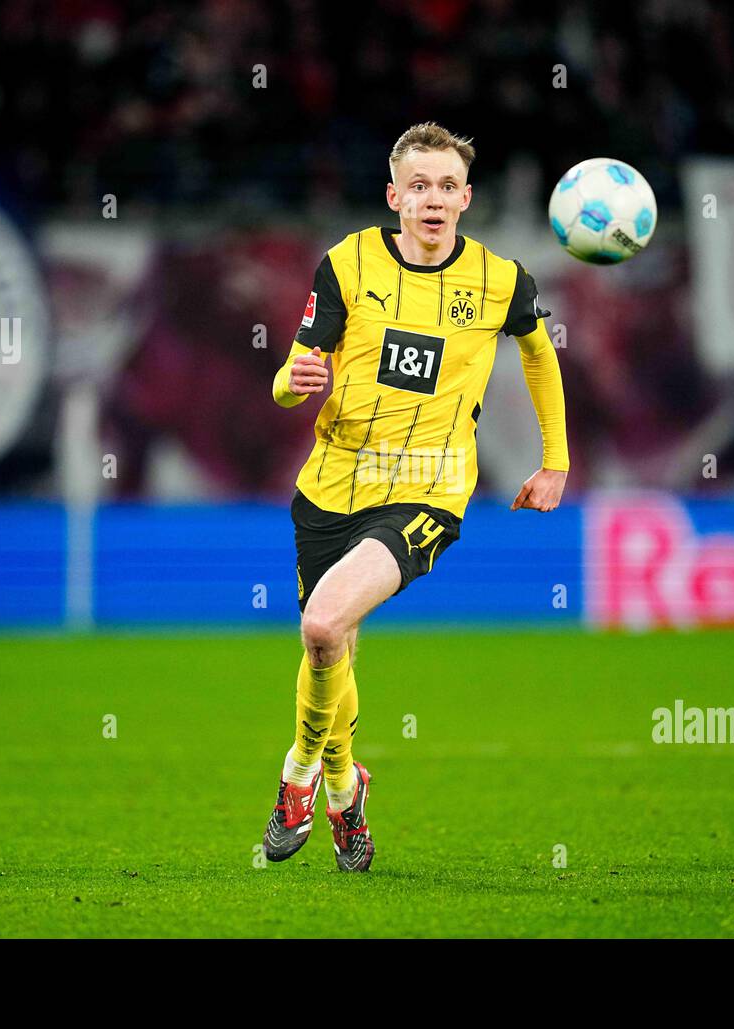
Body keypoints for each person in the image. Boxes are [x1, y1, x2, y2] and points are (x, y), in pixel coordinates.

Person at [263, 122, 570, 871]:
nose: (433, 200)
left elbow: (538, 353)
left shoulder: (501, 281)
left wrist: (555, 459)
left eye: (447, 186)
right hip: (333, 482)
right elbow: (293, 372)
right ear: (395, 195)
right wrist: (289, 383)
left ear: (466, 198)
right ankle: (345, 787)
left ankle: (297, 775)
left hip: (430, 486)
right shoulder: (348, 262)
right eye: (419, 186)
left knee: (322, 622)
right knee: (333, 647)